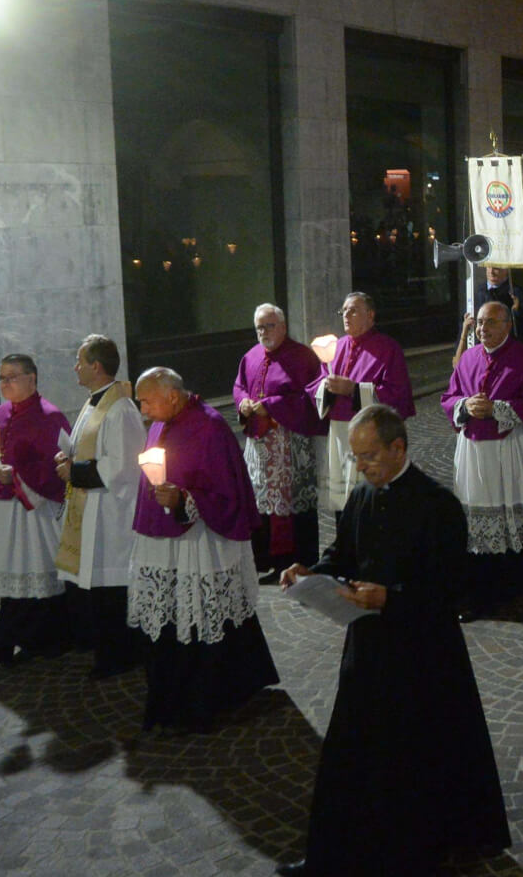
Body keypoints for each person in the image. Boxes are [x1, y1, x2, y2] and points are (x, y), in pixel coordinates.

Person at [277, 405, 511, 877]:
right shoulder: (362, 497)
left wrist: (392, 598)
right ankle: (333, 853)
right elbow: (342, 553)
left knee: (416, 757)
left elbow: (452, 589)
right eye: (355, 459)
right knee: (350, 751)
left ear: (398, 448)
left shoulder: (437, 505)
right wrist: (311, 573)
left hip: (424, 656)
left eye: (368, 457)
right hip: (368, 650)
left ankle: (414, 853)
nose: (360, 468)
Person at [128, 367, 278, 735]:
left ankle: (201, 698)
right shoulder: (160, 423)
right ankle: (167, 694)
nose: (143, 409)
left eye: (147, 400)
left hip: (199, 544)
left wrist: (184, 499)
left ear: (173, 397)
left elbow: (227, 495)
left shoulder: (209, 427)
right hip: (162, 541)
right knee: (169, 616)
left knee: (202, 615)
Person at [441, 301, 523, 619]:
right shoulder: (467, 358)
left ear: (508, 325)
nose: (483, 329)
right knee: (480, 521)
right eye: (480, 323)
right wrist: (465, 405)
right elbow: (449, 397)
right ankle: (485, 589)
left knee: (516, 510)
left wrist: (497, 408)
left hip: (514, 450)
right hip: (475, 452)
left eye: (491, 322)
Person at [53, 334, 146, 679]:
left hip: (111, 515)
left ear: (96, 366)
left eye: (80, 361)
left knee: (111, 591)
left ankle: (119, 655)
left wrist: (73, 470)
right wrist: (71, 457)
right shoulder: (95, 402)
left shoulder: (120, 409)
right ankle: (102, 647)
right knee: (95, 590)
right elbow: (90, 449)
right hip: (90, 509)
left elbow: (122, 466)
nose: (75, 367)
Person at [0, 353, 73, 666]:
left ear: (32, 379)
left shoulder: (49, 416)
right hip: (9, 512)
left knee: (37, 573)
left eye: (11, 377)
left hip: (36, 512)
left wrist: (15, 477)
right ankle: (16, 642)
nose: (4, 383)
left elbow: (55, 468)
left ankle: (24, 642)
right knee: (14, 576)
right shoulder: (2, 413)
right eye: (1, 378)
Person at [234, 303, 325, 579]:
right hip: (259, 447)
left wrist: (270, 406)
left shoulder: (302, 356)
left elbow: (309, 397)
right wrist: (244, 404)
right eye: (259, 327)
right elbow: (239, 387)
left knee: (291, 504)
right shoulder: (250, 356)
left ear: (283, 327)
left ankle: (297, 561)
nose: (264, 332)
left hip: (289, 444)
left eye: (269, 325)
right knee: (261, 502)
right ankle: (266, 560)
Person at [310, 292, 415, 526]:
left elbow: (397, 394)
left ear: (370, 315)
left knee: (371, 506)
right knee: (343, 504)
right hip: (339, 434)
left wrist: (354, 390)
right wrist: (325, 388)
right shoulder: (336, 346)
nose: (346, 315)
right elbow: (317, 383)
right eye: (344, 311)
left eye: (353, 310)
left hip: (372, 436)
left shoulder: (388, 348)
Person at [473, 265, 523, 341]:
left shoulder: (516, 292)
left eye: (496, 268)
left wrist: (516, 311)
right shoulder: (479, 291)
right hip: (482, 347)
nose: (491, 272)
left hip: (508, 346)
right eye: (488, 267)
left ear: (506, 270)